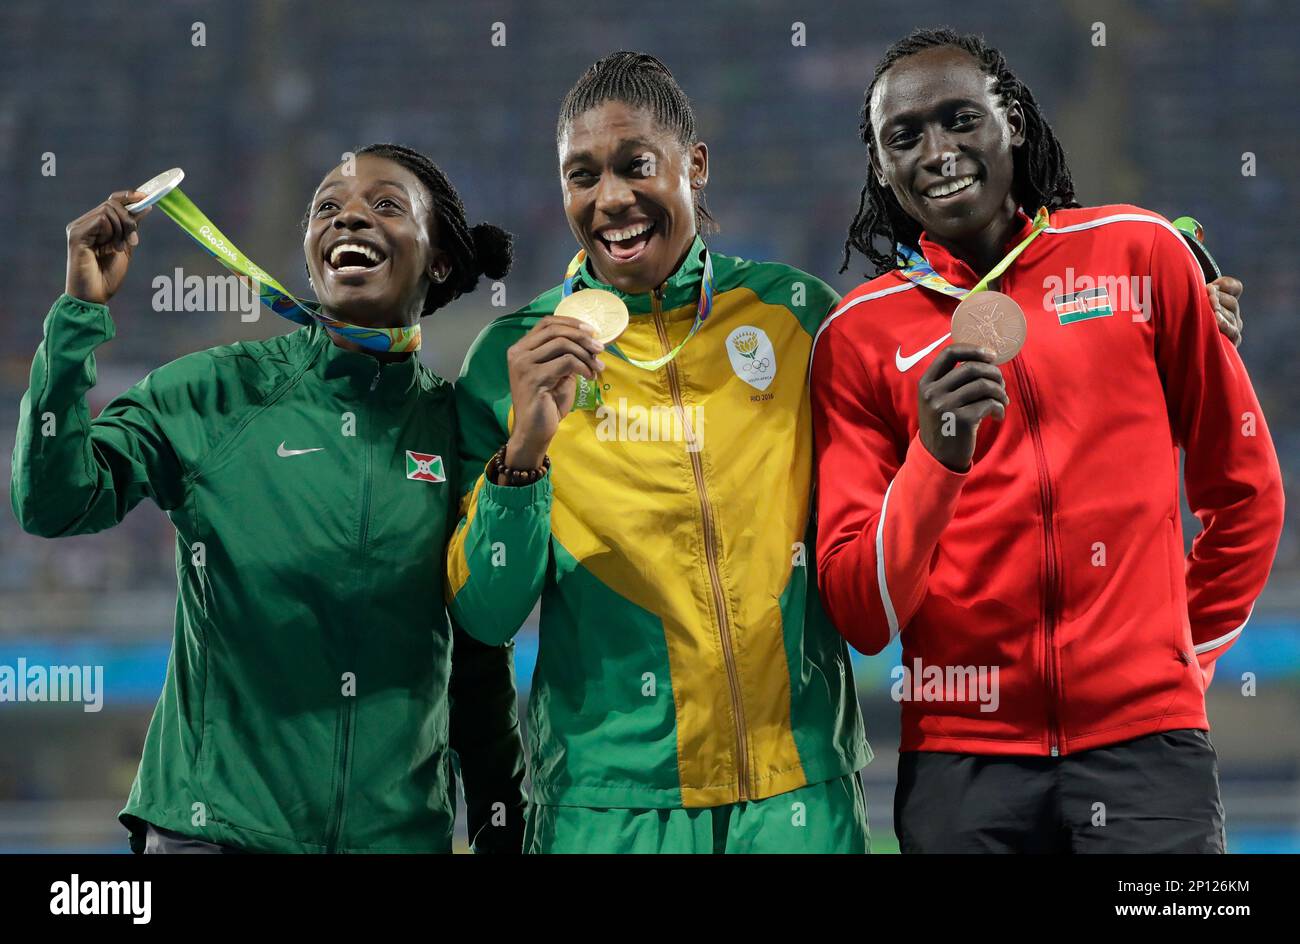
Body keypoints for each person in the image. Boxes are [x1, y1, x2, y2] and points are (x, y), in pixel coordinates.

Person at [814, 28, 1284, 853]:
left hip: (1149, 753)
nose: (939, 151)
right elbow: (861, 613)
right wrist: (934, 460)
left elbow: (1245, 492)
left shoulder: (1139, 253)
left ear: (1016, 122)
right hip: (961, 766)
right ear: (881, 166)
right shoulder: (857, 337)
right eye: (905, 136)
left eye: (961, 118)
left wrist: (1179, 660)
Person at [11, 144, 527, 853]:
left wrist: (505, 826)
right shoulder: (215, 392)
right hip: (216, 836)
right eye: (326, 207)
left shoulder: (460, 431)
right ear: (311, 254)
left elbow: (477, 658)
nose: (349, 217)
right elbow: (54, 502)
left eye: (385, 205)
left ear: (438, 259)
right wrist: (77, 317)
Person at [447, 52, 870, 853]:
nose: (610, 198)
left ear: (694, 165)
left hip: (798, 795)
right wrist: (523, 455)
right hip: (608, 809)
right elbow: (487, 613)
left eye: (635, 165)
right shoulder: (511, 360)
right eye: (581, 176)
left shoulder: (798, 316)